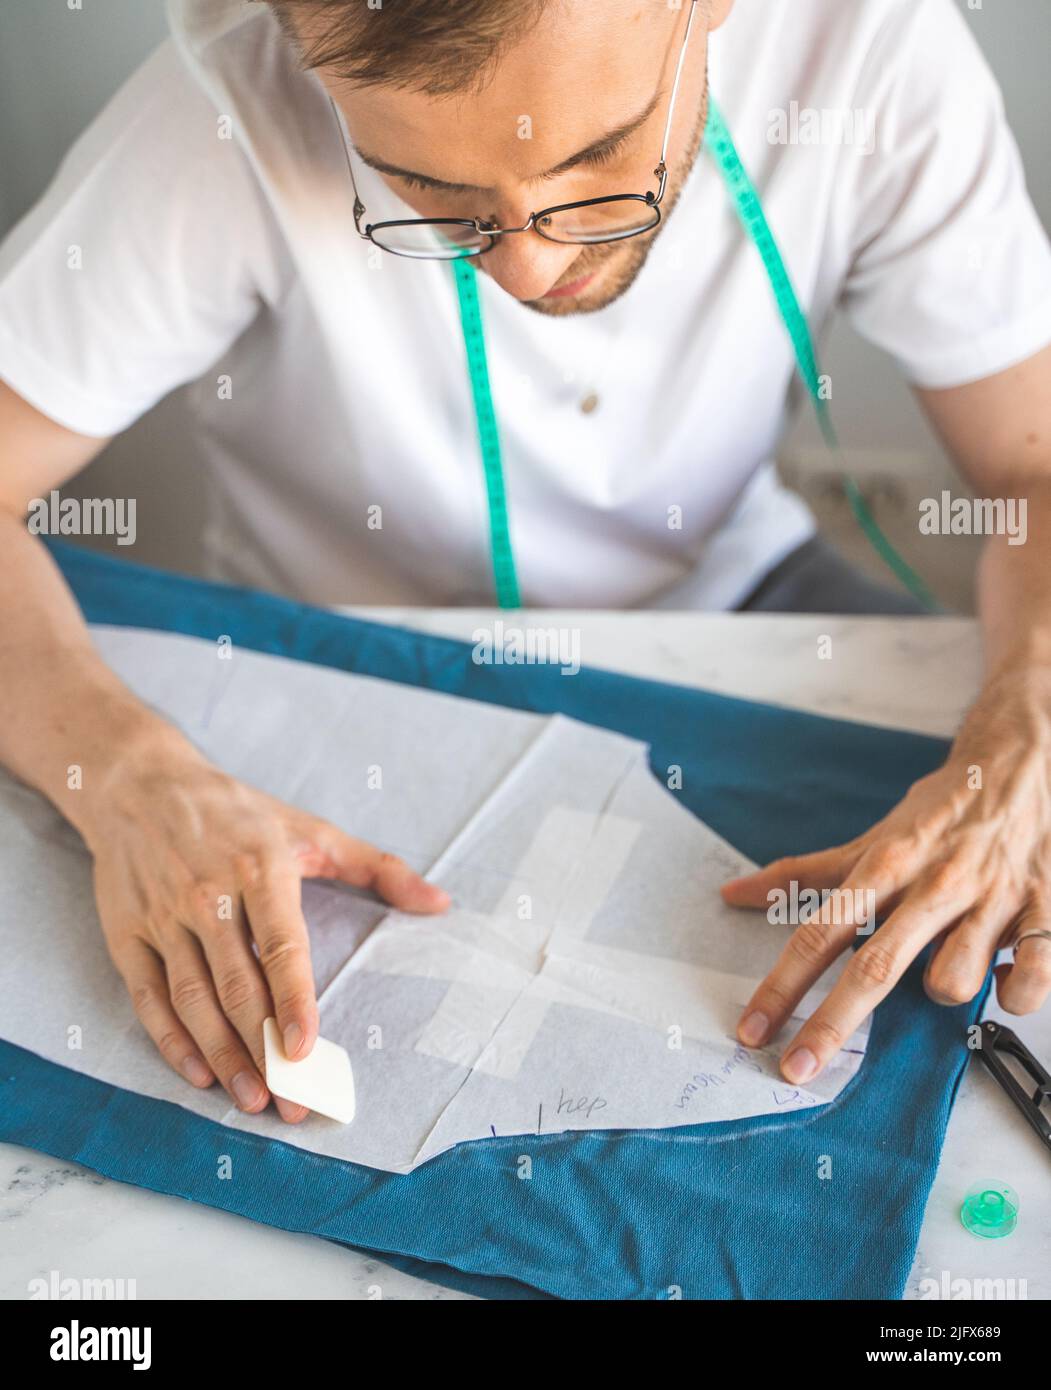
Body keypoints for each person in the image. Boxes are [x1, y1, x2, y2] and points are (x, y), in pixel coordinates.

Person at [0, 0, 1048, 1120]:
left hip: (737, 589)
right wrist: (124, 777)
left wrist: (1028, 724)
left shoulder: (870, 44)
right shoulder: (218, 116)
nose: (532, 265)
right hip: (338, 634)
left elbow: (1032, 466)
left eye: (597, 157)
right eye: (432, 195)